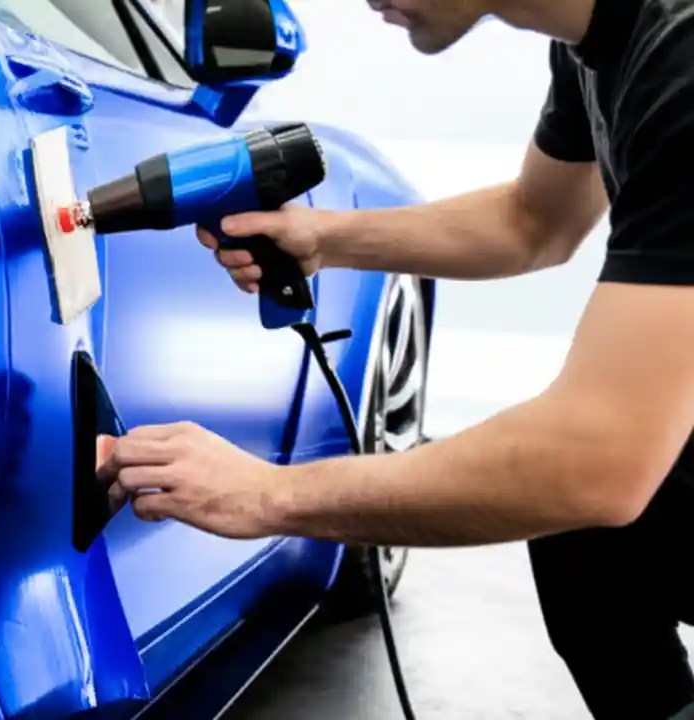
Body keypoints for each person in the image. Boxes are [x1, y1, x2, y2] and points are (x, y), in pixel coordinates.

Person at [94, 0, 694, 718]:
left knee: (582, 504)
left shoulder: (683, 58)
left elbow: (596, 463)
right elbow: (534, 222)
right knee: (590, 553)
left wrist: (266, 497)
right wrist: (326, 238)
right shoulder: (595, 46)